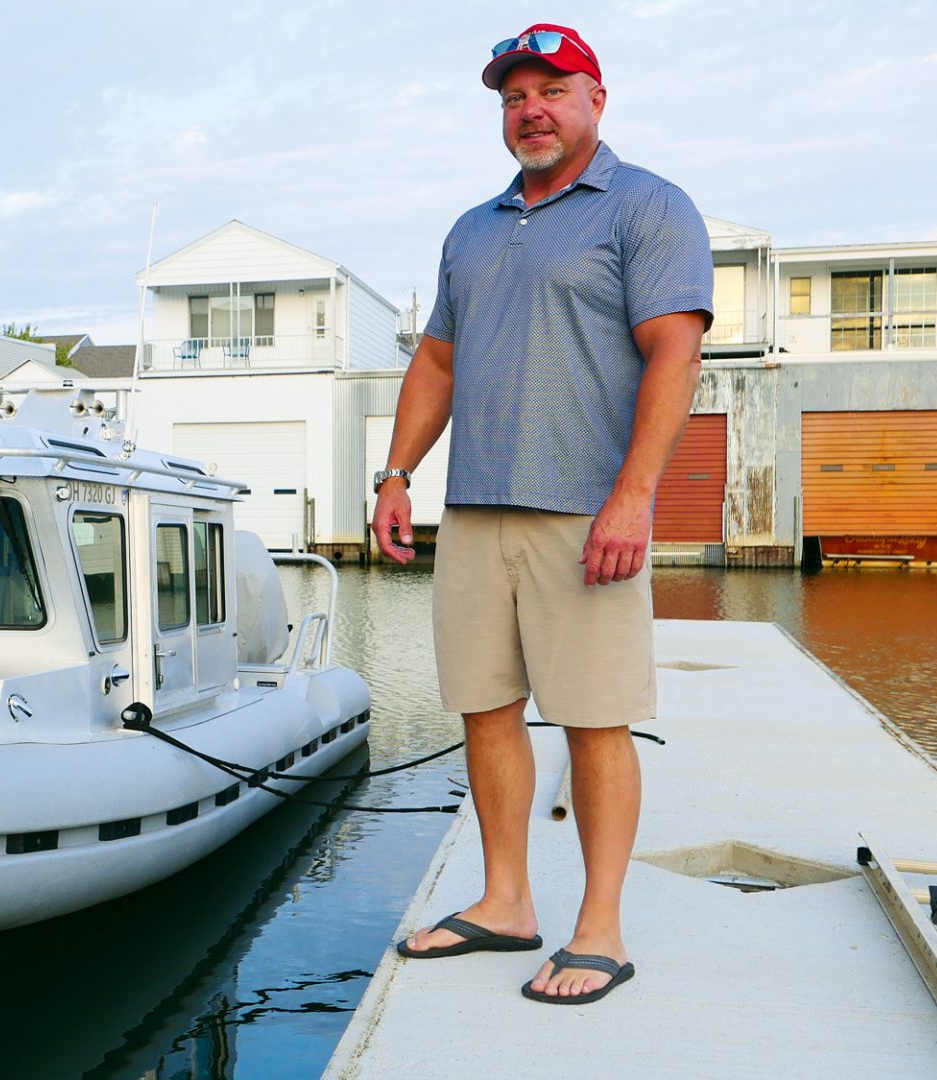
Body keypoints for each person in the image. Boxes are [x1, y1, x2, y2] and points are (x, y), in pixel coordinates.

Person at [371, 24, 712, 1006]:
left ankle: (599, 928)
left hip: (585, 512)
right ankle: (506, 901)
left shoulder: (646, 207)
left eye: (551, 89)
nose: (531, 110)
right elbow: (435, 360)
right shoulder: (473, 229)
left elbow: (672, 355)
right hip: (475, 509)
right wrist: (397, 474)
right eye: (514, 96)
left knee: (596, 722)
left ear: (595, 97)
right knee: (485, 710)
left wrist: (633, 499)